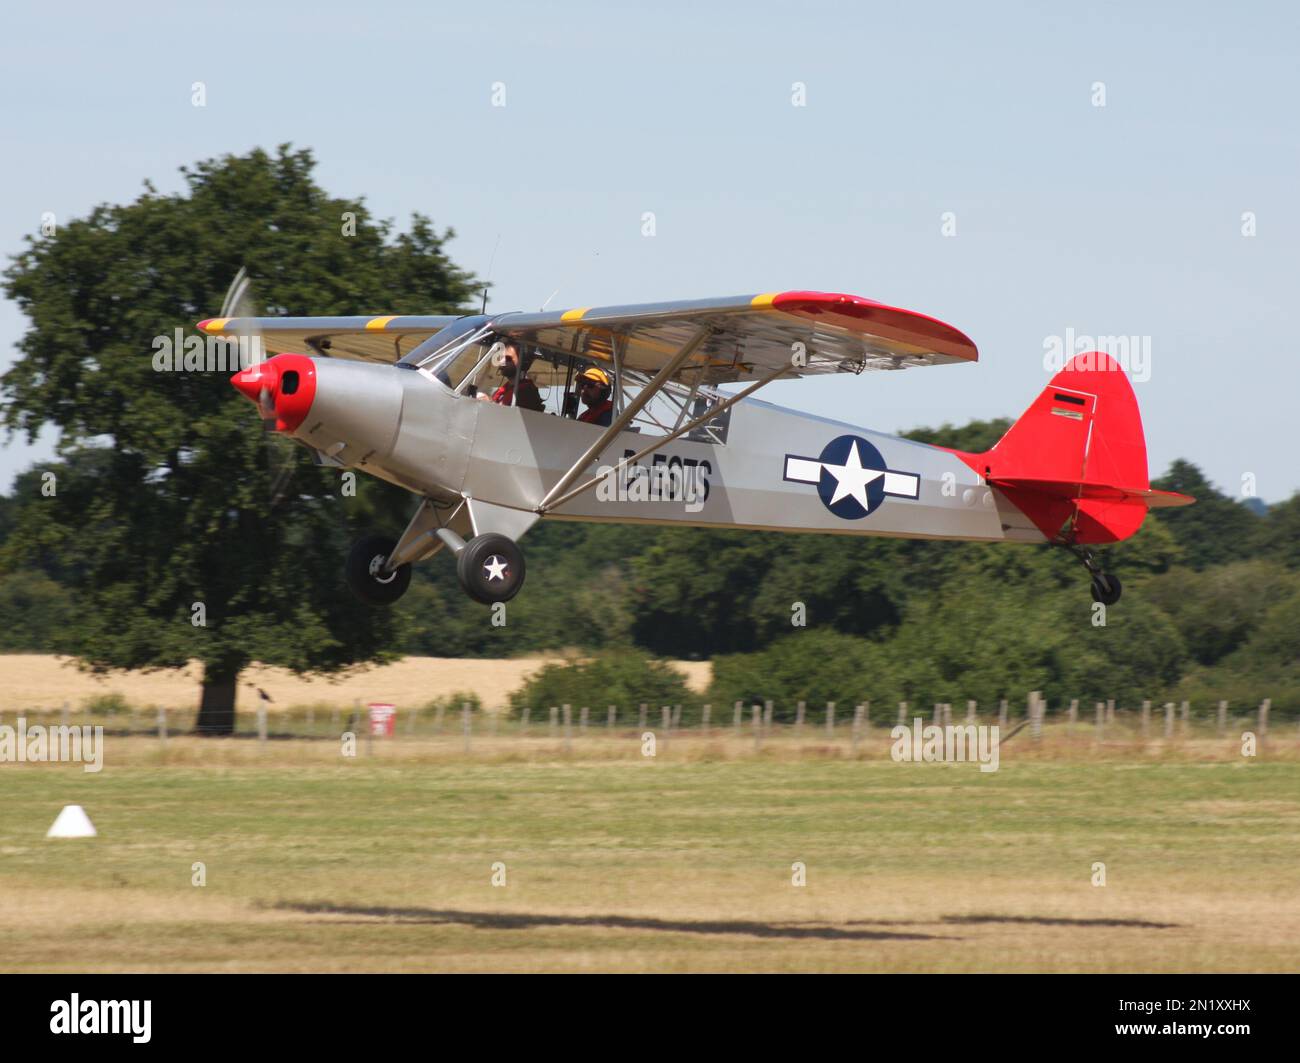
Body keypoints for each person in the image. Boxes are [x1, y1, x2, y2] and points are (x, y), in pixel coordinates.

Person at [479, 340, 543, 412]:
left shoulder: (526, 392)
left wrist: (490, 404)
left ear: (523, 362)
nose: (501, 362)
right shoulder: (507, 388)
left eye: (508, 359)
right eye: (501, 357)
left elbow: (508, 417)